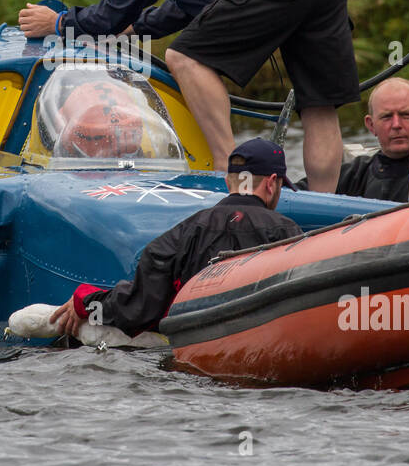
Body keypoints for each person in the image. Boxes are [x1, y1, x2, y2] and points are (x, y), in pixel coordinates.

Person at [18, 0, 358, 192]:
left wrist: (59, 23)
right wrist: (134, 26)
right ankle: (324, 206)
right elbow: (186, 10)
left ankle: (230, 171)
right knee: (318, 105)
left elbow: (112, 13)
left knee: (185, 57)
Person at [49, 138, 303, 338]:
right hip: (266, 337)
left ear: (228, 183)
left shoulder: (187, 230)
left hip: (198, 345)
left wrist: (86, 302)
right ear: (272, 183)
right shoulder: (287, 231)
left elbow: (137, 307)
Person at [336, 77, 409, 202]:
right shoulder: (355, 175)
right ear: (371, 125)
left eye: (406, 115)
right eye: (387, 117)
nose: (396, 124)